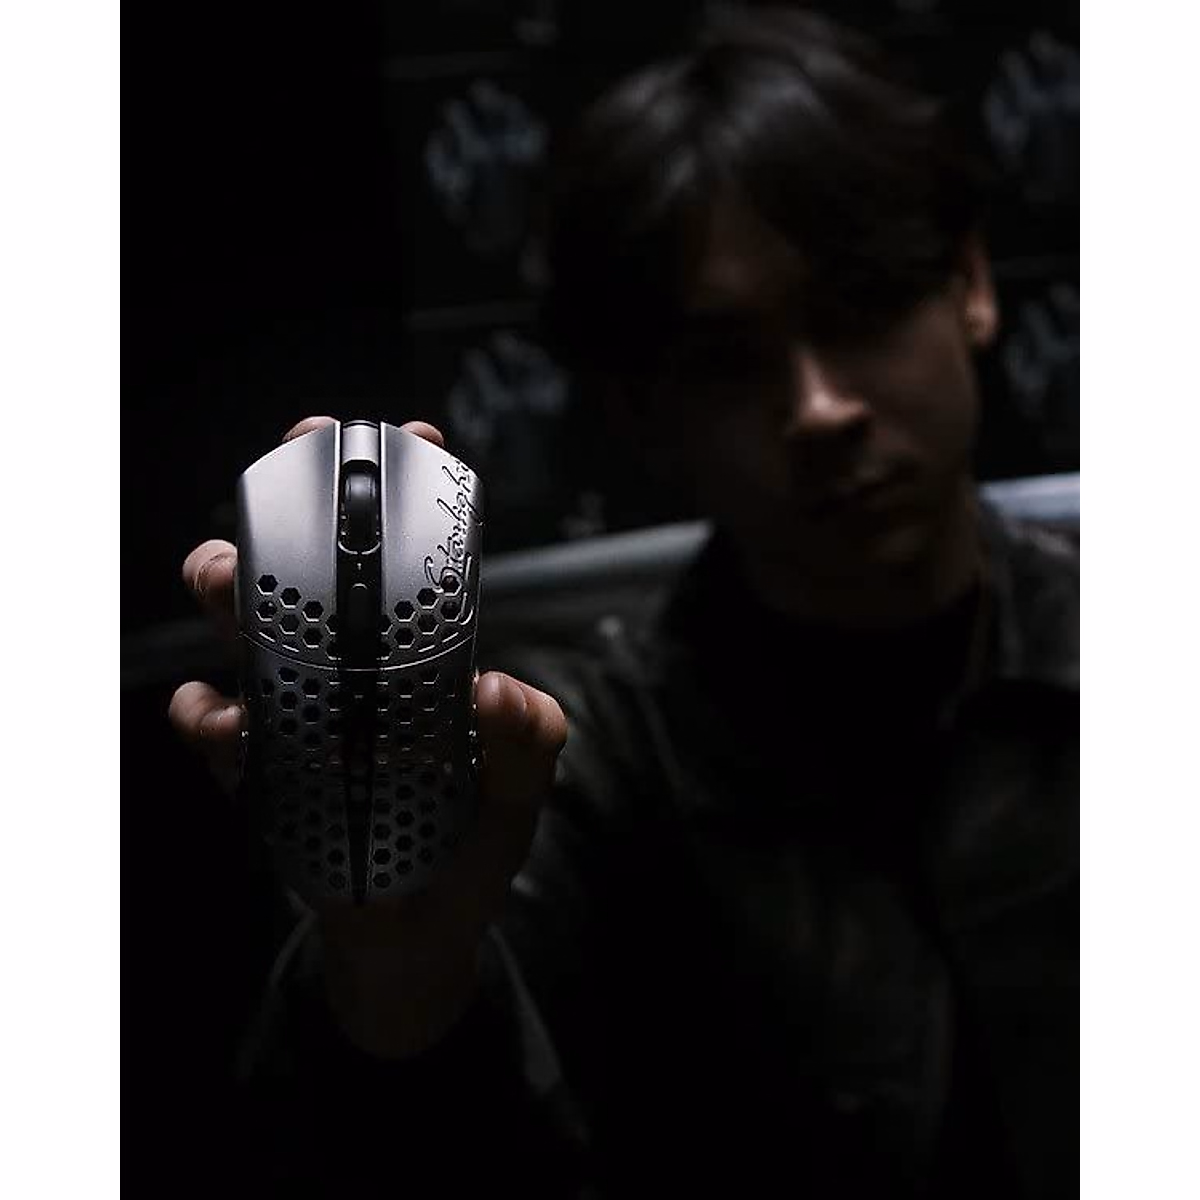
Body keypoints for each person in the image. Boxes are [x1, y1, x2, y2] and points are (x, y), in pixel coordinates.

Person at [169, 7, 1077, 1196]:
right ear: (643, 414)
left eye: (860, 306)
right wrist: (393, 961)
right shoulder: (580, 760)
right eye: (728, 361)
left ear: (970, 285)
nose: (819, 409)